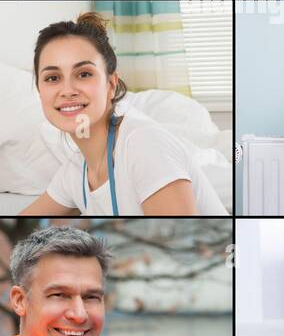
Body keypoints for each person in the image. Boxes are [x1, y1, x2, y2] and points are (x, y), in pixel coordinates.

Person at [16, 13, 225, 217]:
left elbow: (181, 248)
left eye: (84, 74)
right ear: (39, 91)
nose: (67, 90)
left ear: (111, 85)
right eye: (53, 78)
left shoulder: (144, 145)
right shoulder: (76, 172)